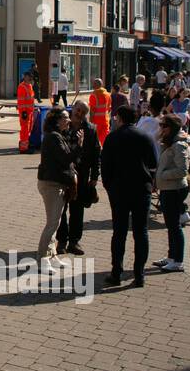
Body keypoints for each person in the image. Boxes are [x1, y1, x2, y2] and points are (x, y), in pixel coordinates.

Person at [100, 105, 158, 288]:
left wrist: (108, 186)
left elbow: (105, 166)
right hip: (141, 188)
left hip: (119, 190)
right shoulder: (145, 137)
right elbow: (153, 162)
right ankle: (139, 274)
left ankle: (116, 272)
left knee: (119, 232)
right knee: (141, 232)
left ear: (119, 118)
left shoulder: (112, 137)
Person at [35, 107, 78, 273]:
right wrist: (79, 146)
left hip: (56, 183)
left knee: (56, 222)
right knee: (52, 223)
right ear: (57, 120)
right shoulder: (53, 137)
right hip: (51, 185)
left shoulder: (57, 135)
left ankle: (52, 255)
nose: (68, 120)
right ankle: (42, 259)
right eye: (65, 118)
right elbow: (66, 158)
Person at [56, 100, 100, 258]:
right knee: (61, 209)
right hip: (63, 174)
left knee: (77, 209)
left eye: (83, 111)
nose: (79, 113)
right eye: (78, 109)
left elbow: (96, 154)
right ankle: (61, 240)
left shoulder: (90, 130)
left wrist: (95, 176)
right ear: (73, 108)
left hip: (81, 175)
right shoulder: (62, 126)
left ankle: (74, 241)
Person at [152, 115, 190, 273]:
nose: (161, 128)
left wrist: (162, 175)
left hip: (175, 189)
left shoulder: (179, 145)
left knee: (175, 226)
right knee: (170, 225)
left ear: (172, 127)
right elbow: (154, 138)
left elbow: (183, 170)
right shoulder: (168, 142)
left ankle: (178, 260)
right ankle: (171, 256)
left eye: (164, 126)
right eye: (161, 125)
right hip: (166, 188)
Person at [16, 70, 37, 153]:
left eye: (30, 76)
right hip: (24, 112)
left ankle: (26, 145)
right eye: (28, 76)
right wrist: (23, 112)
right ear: (25, 77)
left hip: (29, 112)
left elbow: (30, 99)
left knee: (28, 130)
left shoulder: (29, 86)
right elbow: (21, 101)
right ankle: (23, 148)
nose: (30, 78)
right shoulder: (22, 87)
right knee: (24, 130)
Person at [88, 78, 112, 144]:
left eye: (94, 84)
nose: (92, 85)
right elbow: (109, 109)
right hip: (105, 121)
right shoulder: (108, 94)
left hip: (96, 122)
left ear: (96, 85)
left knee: (95, 140)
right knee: (104, 140)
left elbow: (92, 111)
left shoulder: (93, 95)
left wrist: (91, 122)